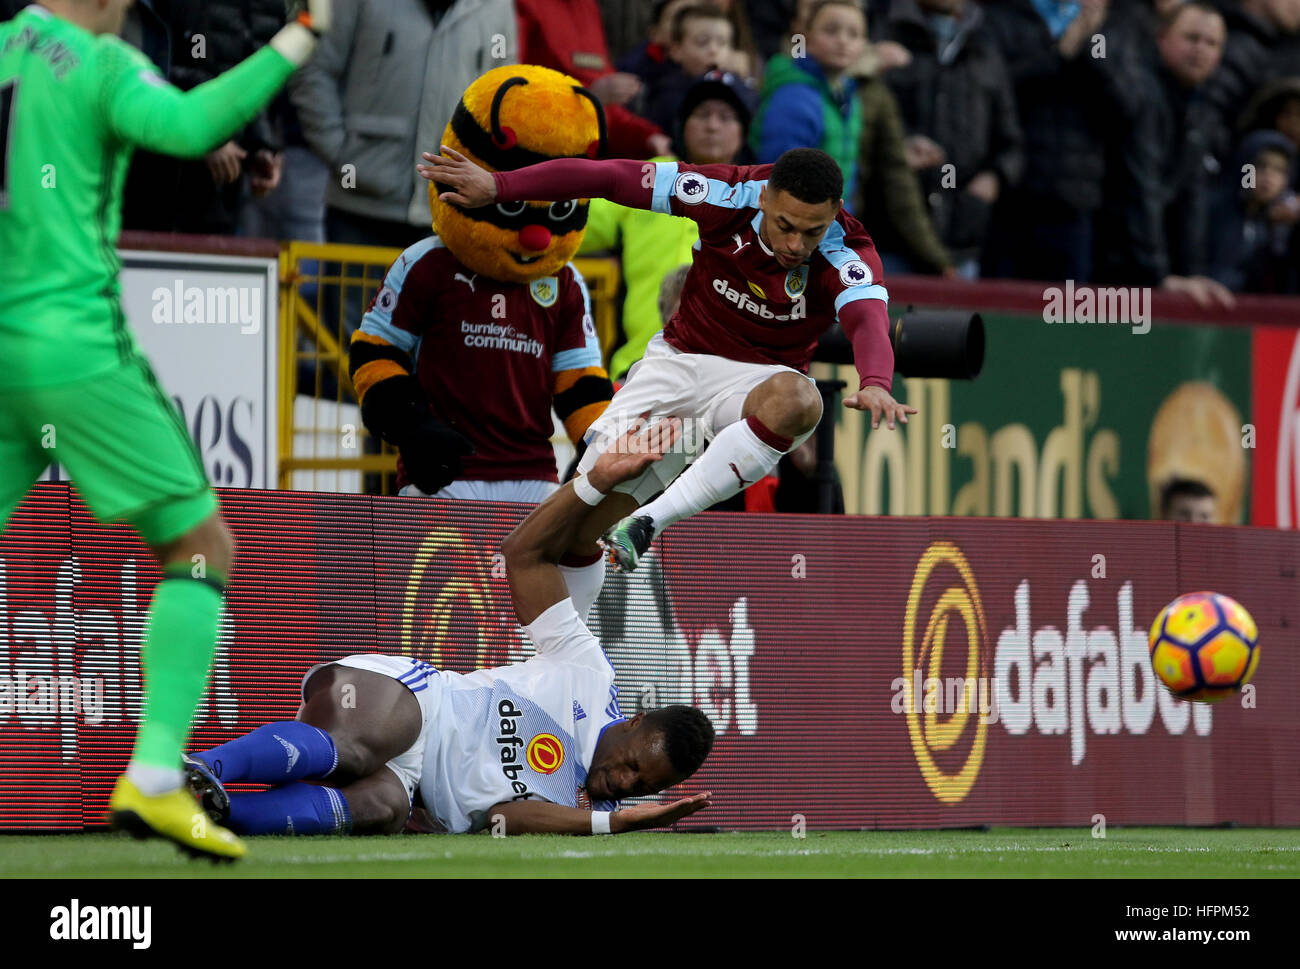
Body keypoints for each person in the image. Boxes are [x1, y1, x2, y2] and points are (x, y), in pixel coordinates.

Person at [0, 0, 332, 860]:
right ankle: (152, 779)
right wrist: (299, 31)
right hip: (67, 347)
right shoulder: (96, 65)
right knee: (200, 545)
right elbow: (187, 126)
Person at [418, 144, 912, 601]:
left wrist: (875, 383)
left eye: (813, 230)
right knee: (580, 525)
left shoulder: (847, 252)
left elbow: (867, 319)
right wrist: (500, 186)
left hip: (754, 385)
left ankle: (653, 519)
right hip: (677, 363)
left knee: (804, 402)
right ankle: (561, 657)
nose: (797, 243)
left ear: (835, 212)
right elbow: (608, 177)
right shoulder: (724, 193)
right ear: (763, 197)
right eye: (785, 224)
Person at [184, 420, 715, 836]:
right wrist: (593, 482)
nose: (622, 784)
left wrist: (612, 822)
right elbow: (522, 555)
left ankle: (207, 815)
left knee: (382, 810)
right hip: (413, 703)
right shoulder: (588, 675)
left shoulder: (589, 807)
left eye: (641, 787)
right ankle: (204, 766)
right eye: (631, 766)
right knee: (362, 748)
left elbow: (505, 822)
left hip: (416, 786)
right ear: (632, 723)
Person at [580, 70, 759, 381]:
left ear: (743, 131)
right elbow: (573, 224)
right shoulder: (648, 176)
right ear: (682, 125)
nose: (712, 125)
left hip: (729, 374)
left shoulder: (764, 196)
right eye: (701, 115)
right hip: (638, 367)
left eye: (726, 117)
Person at [874, 0, 1023, 278]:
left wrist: (995, 178)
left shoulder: (985, 46)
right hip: (888, 236)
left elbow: (1011, 142)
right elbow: (858, 120)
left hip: (962, 240)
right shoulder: (881, 30)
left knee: (955, 322)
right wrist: (899, 149)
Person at [752, 0, 866, 191]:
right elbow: (783, 180)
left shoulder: (849, 95)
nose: (843, 40)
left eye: (854, 34)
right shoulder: (794, 96)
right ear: (806, 35)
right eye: (831, 31)